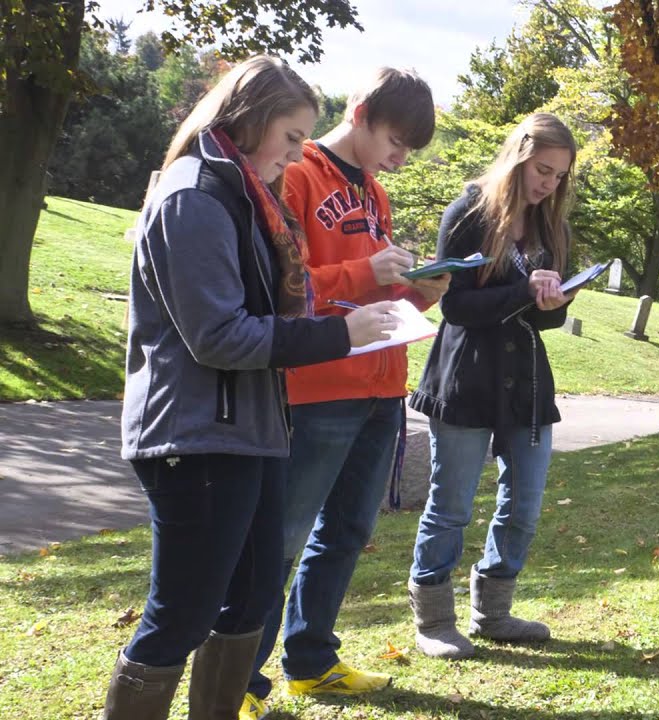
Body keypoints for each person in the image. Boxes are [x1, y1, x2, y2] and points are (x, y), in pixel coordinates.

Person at [105, 55, 399, 720]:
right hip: (196, 436)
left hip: (252, 431)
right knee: (182, 614)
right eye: (291, 138)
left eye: (303, 142)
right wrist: (339, 336)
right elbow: (220, 337)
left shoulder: (247, 196)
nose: (297, 156)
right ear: (249, 118)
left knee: (254, 593)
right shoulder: (196, 197)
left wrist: (354, 317)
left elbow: (269, 315)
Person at [240, 68, 448, 719]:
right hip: (319, 388)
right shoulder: (297, 174)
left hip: (382, 385)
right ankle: (237, 679)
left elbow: (375, 297)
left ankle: (312, 662)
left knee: (350, 528)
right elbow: (286, 286)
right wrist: (366, 269)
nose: (399, 156)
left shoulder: (376, 193)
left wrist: (422, 291)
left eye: (410, 149)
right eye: (394, 139)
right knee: (283, 534)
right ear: (359, 112)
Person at [405, 113, 578, 660]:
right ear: (519, 155)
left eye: (559, 176)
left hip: (525, 383)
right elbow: (453, 304)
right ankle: (433, 621)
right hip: (465, 377)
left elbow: (540, 317)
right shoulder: (470, 211)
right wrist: (523, 291)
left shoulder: (549, 224)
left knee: (523, 503)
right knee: (450, 505)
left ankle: (493, 612)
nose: (549, 184)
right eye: (543, 170)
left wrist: (555, 301)